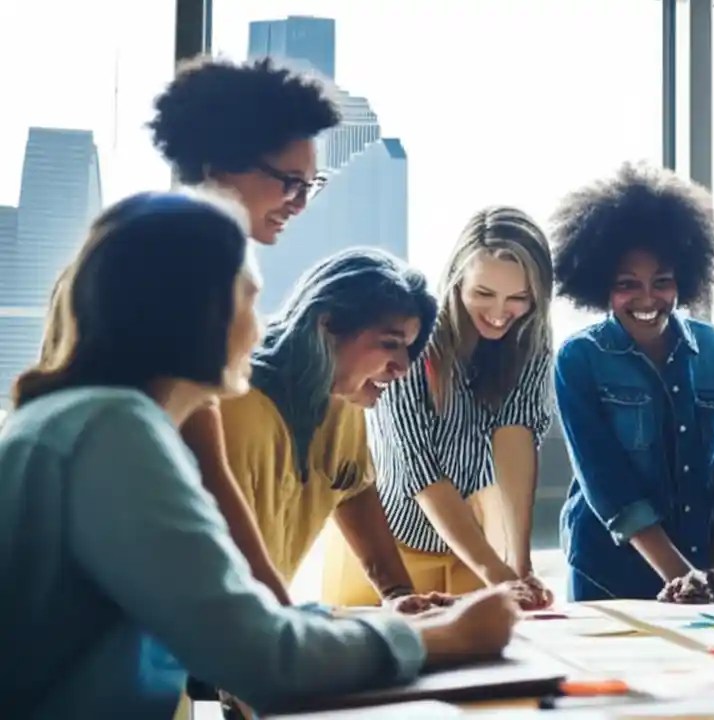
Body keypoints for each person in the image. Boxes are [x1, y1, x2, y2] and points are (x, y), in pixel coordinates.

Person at [0, 192, 517, 719]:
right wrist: (448, 638)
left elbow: (242, 621)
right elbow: (259, 654)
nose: (260, 327)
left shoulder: (76, 421)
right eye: (249, 301)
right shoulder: (114, 432)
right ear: (194, 311)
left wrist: (390, 614)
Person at [27, 56, 342, 606]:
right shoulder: (178, 279)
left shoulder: (130, 249)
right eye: (290, 182)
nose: (299, 203)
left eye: (310, 185)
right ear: (222, 165)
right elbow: (211, 475)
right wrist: (283, 621)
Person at [324, 207, 554, 608]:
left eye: (519, 298)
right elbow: (421, 471)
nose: (499, 313)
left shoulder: (530, 342)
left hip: (476, 545)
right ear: (457, 279)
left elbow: (516, 438)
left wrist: (518, 565)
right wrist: (497, 575)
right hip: (388, 546)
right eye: (484, 293)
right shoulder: (411, 340)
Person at [551, 163, 714, 602]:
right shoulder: (578, 359)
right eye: (627, 284)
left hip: (698, 574)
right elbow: (607, 482)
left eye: (662, 282)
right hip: (607, 579)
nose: (646, 298)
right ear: (601, 286)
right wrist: (682, 576)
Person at [219, 248, 446, 612]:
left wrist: (399, 594)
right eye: (390, 343)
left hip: (265, 621)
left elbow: (353, 487)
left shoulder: (344, 401)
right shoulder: (236, 410)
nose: (403, 367)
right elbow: (230, 589)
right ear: (326, 326)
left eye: (407, 348)